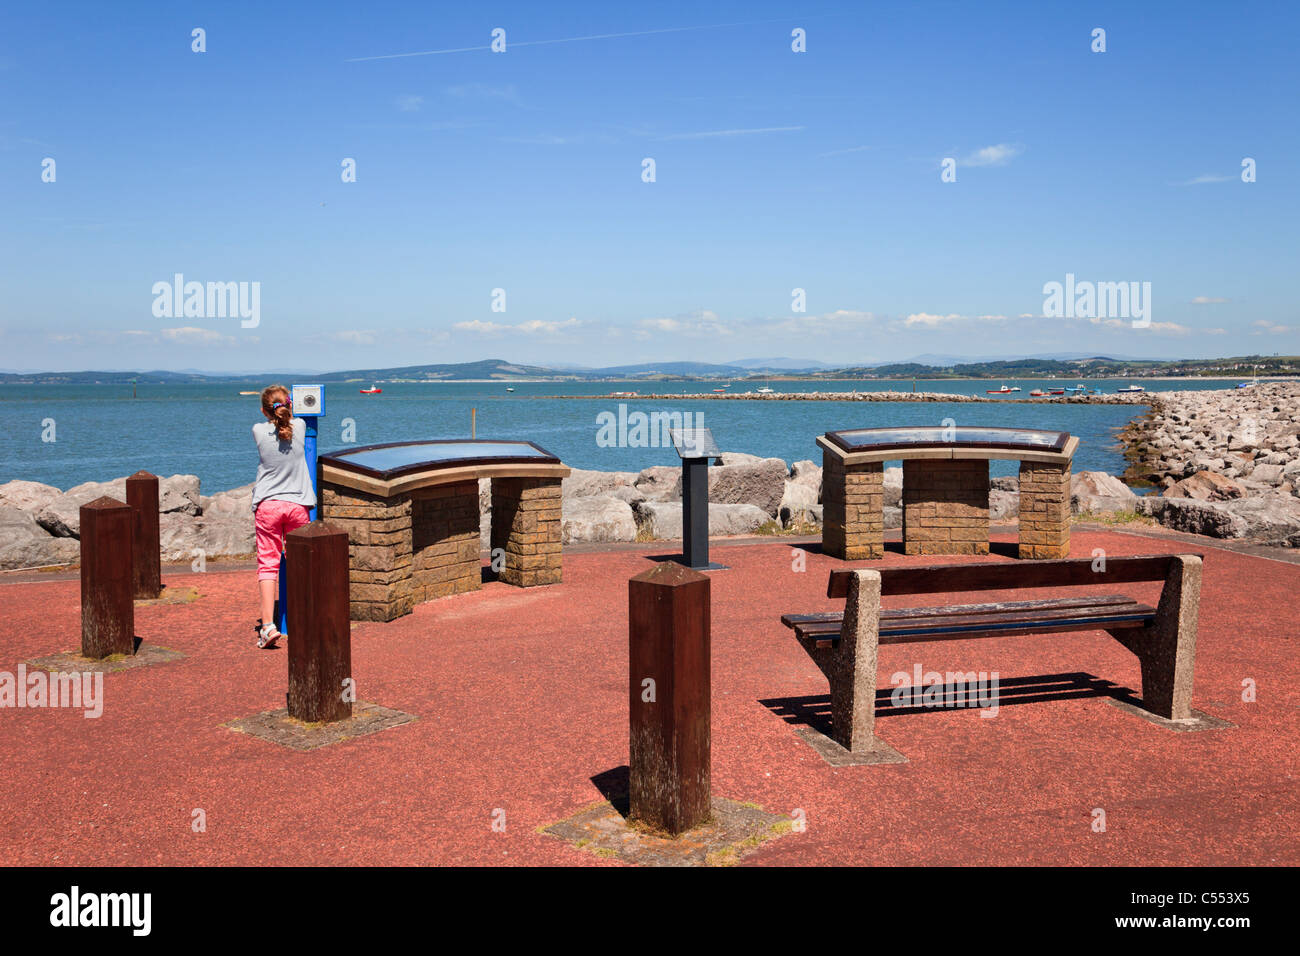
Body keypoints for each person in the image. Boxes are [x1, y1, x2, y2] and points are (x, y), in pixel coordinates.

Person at [251, 385, 316, 648]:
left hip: (268, 505)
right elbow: (295, 418)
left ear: (263, 410)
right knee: (301, 563)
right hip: (298, 505)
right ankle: (306, 619)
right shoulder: (299, 427)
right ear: (290, 404)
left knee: (268, 565)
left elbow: (275, 423)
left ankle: (268, 626)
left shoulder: (257, 430)